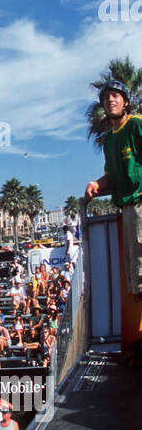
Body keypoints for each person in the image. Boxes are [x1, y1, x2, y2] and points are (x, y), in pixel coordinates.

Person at [86, 78, 142, 297]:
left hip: (140, 204)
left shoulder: (137, 124)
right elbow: (112, 176)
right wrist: (97, 184)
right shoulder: (108, 140)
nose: (110, 100)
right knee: (135, 278)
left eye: (115, 95)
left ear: (126, 102)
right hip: (127, 210)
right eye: (106, 97)